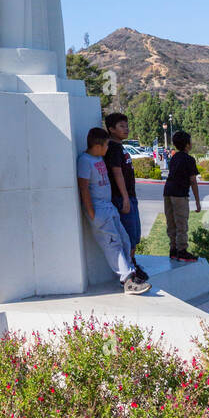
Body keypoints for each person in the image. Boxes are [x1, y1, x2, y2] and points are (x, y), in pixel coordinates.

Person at [77, 127, 150, 294]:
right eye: (106, 145)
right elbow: (84, 188)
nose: (107, 148)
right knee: (113, 245)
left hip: (109, 206)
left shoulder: (98, 158)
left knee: (124, 240)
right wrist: (92, 213)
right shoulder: (85, 161)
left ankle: (131, 273)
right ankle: (127, 281)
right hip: (99, 209)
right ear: (97, 145)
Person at [104, 111, 148, 282]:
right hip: (123, 198)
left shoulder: (120, 146)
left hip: (131, 196)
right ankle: (130, 269)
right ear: (111, 129)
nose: (126, 129)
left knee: (135, 234)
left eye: (127, 125)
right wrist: (124, 197)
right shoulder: (113, 148)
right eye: (121, 126)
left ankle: (133, 263)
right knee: (129, 235)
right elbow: (117, 173)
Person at [163, 130, 201, 262]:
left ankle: (173, 249)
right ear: (187, 145)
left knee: (171, 222)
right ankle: (182, 250)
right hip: (180, 194)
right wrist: (197, 201)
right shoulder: (189, 160)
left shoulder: (174, 157)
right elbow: (193, 181)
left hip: (167, 192)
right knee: (181, 223)